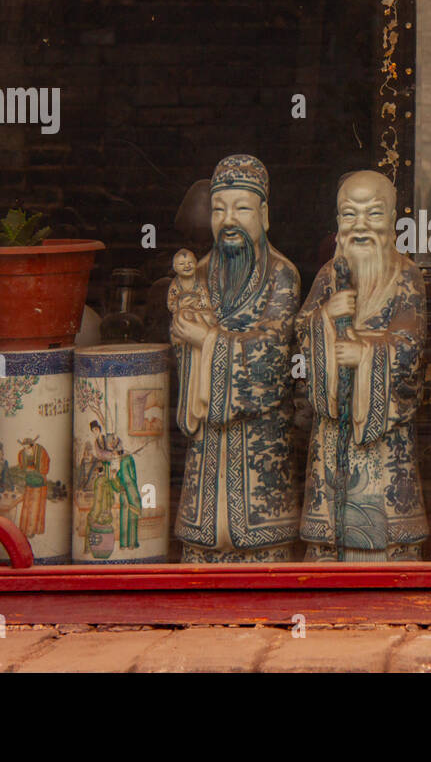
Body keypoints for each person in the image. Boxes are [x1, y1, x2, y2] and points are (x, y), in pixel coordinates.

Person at [170, 154, 301, 562]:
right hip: (207, 445)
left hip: (262, 448)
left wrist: (208, 340)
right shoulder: (197, 275)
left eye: (241, 208)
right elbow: (181, 345)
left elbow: (273, 352)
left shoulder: (282, 275)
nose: (228, 220)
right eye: (218, 210)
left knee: (266, 564)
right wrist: (184, 333)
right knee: (200, 563)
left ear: (264, 215)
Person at [296, 171, 429, 561]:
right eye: (350, 214)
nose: (360, 225)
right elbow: (301, 330)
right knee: (329, 531)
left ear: (393, 220)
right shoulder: (328, 275)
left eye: (373, 213)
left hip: (385, 438)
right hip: (333, 429)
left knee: (390, 534)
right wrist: (325, 317)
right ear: (338, 221)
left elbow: (411, 343)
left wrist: (365, 353)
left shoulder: (407, 276)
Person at [16, 437, 50, 537]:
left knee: (36, 506)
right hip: (30, 482)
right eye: (24, 447)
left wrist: (36, 470)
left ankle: (33, 529)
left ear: (32, 445)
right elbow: (22, 465)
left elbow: (45, 465)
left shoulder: (41, 452)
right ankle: (25, 528)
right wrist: (27, 469)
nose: (26, 449)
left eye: (28, 447)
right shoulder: (22, 453)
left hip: (39, 483)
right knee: (27, 505)